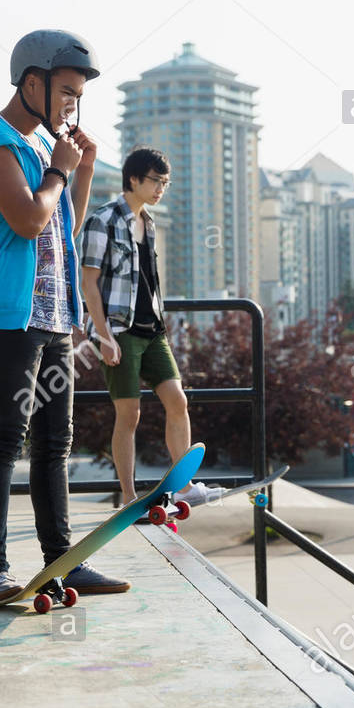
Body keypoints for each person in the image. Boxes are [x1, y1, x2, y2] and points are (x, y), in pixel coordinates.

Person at [0, 29, 129, 607]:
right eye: (67, 91)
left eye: (78, 95)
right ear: (32, 83)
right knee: (6, 437)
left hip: (50, 313)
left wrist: (84, 166)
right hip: (7, 314)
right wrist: (57, 170)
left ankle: (65, 562)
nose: (73, 104)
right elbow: (26, 219)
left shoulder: (43, 151)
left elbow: (61, 228)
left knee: (55, 441)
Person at [78, 146, 221, 511]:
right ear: (134, 179)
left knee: (178, 400)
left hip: (152, 330)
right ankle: (128, 496)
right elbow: (88, 282)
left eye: (166, 183)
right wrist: (103, 335)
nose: (161, 189)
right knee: (129, 415)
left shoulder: (150, 224)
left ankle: (184, 486)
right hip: (119, 331)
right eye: (156, 181)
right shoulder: (103, 219)